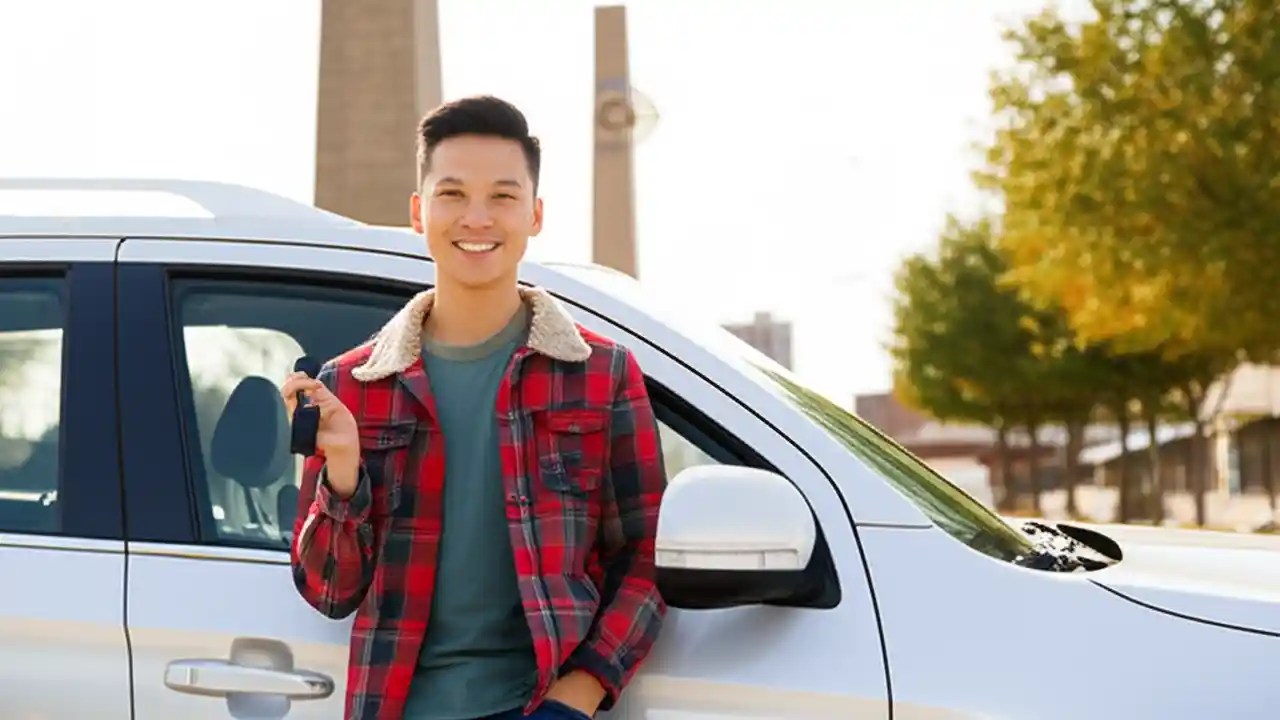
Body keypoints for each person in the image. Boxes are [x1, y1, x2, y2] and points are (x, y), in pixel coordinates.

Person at [281, 95, 667, 720]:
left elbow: (647, 555)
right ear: (419, 212)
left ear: (535, 214)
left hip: (539, 705)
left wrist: (581, 692)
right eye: (453, 194)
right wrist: (343, 470)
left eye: (504, 197)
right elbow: (329, 592)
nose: (477, 219)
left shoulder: (601, 375)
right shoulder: (353, 385)